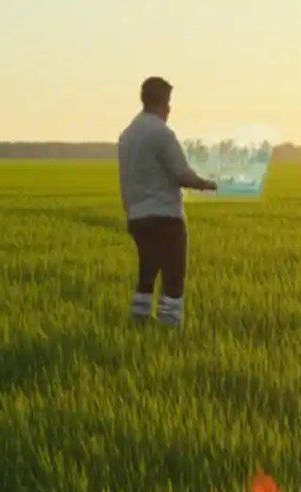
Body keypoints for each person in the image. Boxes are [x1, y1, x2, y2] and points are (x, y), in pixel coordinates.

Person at [117, 76, 216, 327]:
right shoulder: (161, 132)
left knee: (147, 273)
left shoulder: (127, 134)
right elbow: (180, 173)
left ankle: (138, 322)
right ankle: (169, 329)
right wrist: (206, 184)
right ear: (165, 103)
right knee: (173, 275)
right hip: (165, 216)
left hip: (137, 216)